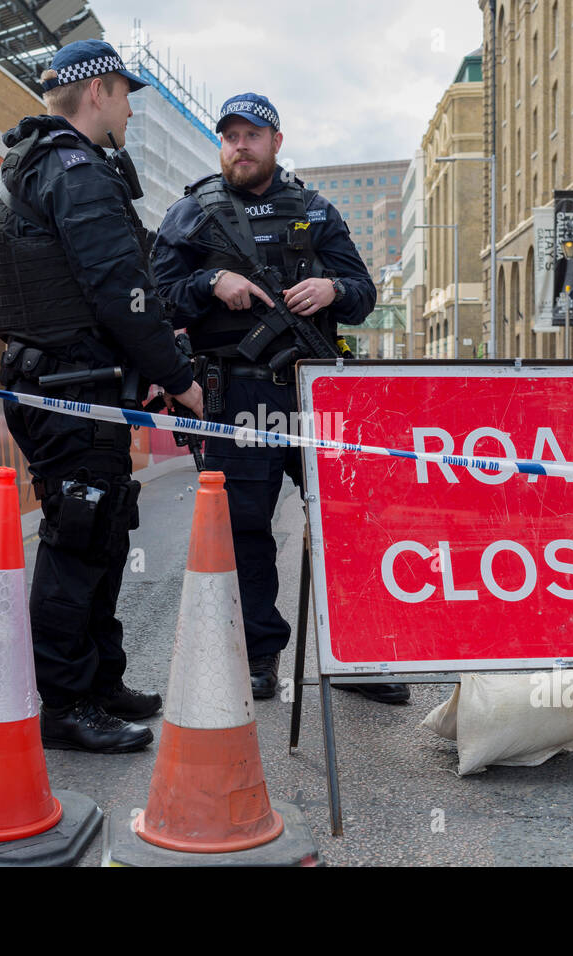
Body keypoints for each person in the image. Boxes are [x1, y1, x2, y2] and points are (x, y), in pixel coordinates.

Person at [153, 92, 408, 704]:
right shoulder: (190, 214)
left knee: (344, 521)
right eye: (231, 136)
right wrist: (211, 281)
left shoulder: (315, 211)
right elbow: (155, 299)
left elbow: (364, 292)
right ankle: (261, 655)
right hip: (235, 395)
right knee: (244, 529)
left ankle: (361, 656)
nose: (240, 145)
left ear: (275, 141)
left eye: (253, 135)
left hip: (313, 393)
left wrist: (331, 287)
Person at [0, 39, 204, 752]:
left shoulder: (35, 163)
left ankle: (100, 678)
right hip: (69, 386)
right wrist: (179, 377)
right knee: (79, 537)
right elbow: (123, 291)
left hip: (67, 383)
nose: (133, 112)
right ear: (100, 91)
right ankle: (64, 702)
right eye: (128, 96)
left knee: (103, 529)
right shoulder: (76, 171)